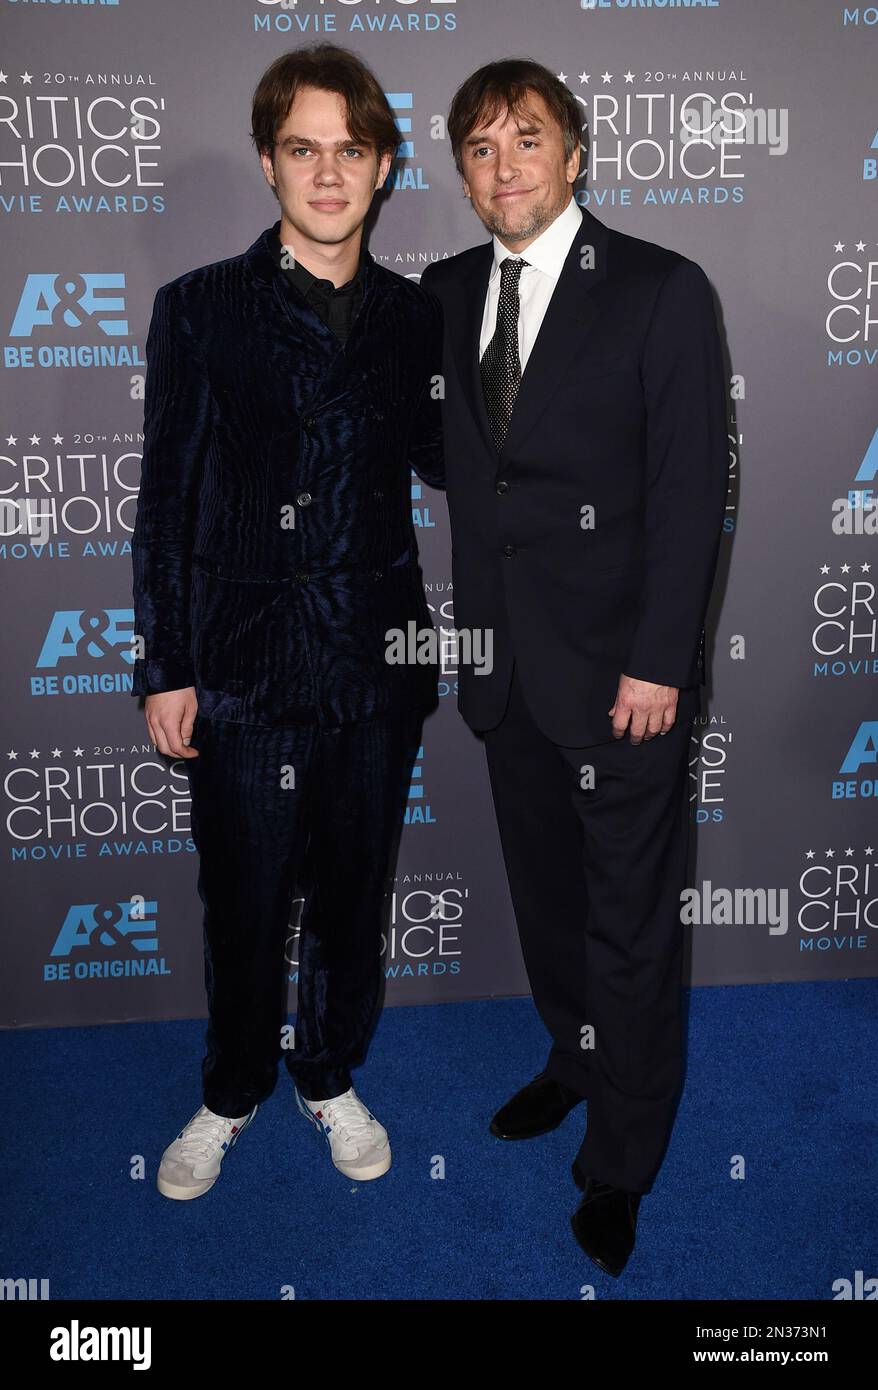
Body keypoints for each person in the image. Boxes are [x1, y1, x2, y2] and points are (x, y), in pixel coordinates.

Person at [421, 57, 728, 1276]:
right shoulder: (443, 294)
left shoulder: (657, 289)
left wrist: (658, 664)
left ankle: (620, 1159)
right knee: (549, 907)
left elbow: (691, 487)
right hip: (505, 674)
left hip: (622, 686)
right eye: (481, 149)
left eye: (527, 140)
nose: (505, 167)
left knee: (630, 928)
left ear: (575, 153)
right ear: (459, 172)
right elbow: (461, 460)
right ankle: (569, 1057)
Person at [131, 43, 444, 1201]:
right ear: (269, 162)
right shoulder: (200, 310)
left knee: (356, 897)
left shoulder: (421, 319)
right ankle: (228, 1088)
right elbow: (164, 502)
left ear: (380, 167)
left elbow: (451, 462)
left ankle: (326, 1073)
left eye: (349, 150)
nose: (326, 173)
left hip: (375, 664)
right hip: (246, 670)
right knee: (246, 903)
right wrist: (166, 663)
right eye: (302, 149)